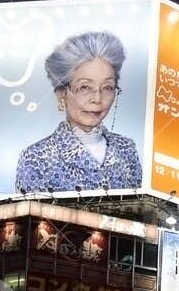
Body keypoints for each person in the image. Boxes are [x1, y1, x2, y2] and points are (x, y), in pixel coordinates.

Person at [15, 31, 143, 193]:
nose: (97, 98)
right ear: (62, 93)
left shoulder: (126, 148)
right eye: (85, 87)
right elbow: (31, 216)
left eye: (108, 87)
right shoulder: (36, 157)